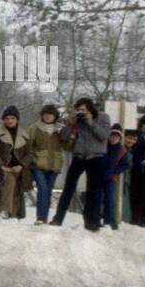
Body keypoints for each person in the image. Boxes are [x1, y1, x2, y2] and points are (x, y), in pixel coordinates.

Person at [50, 97, 111, 231]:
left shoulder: (103, 117)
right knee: (68, 188)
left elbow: (104, 136)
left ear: (90, 110)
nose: (81, 113)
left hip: (96, 157)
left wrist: (90, 122)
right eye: (79, 110)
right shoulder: (76, 120)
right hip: (79, 156)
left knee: (93, 191)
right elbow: (64, 137)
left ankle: (92, 222)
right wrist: (71, 123)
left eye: (83, 110)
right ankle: (58, 219)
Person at [0, 106, 32, 219]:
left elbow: (30, 154)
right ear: (3, 120)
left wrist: (21, 165)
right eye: (7, 118)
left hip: (20, 170)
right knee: (10, 179)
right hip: (2, 169)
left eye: (12, 118)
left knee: (17, 191)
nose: (9, 120)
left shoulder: (25, 134)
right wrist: (2, 166)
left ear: (17, 119)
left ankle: (12, 217)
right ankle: (5, 211)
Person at [26, 105, 64, 224]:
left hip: (54, 165)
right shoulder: (34, 127)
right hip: (38, 164)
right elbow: (28, 145)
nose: (48, 116)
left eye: (51, 114)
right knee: (42, 189)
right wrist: (31, 160)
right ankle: (41, 218)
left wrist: (68, 134)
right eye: (45, 113)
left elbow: (68, 146)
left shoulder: (60, 129)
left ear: (55, 116)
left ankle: (43, 218)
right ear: (42, 115)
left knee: (47, 192)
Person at [101, 124, 131, 229]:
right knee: (99, 199)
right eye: (112, 136)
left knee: (110, 201)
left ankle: (110, 222)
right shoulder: (103, 146)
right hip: (99, 176)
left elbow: (126, 164)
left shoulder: (122, 150)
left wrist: (115, 170)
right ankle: (98, 220)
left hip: (111, 178)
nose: (114, 138)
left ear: (120, 138)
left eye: (117, 136)